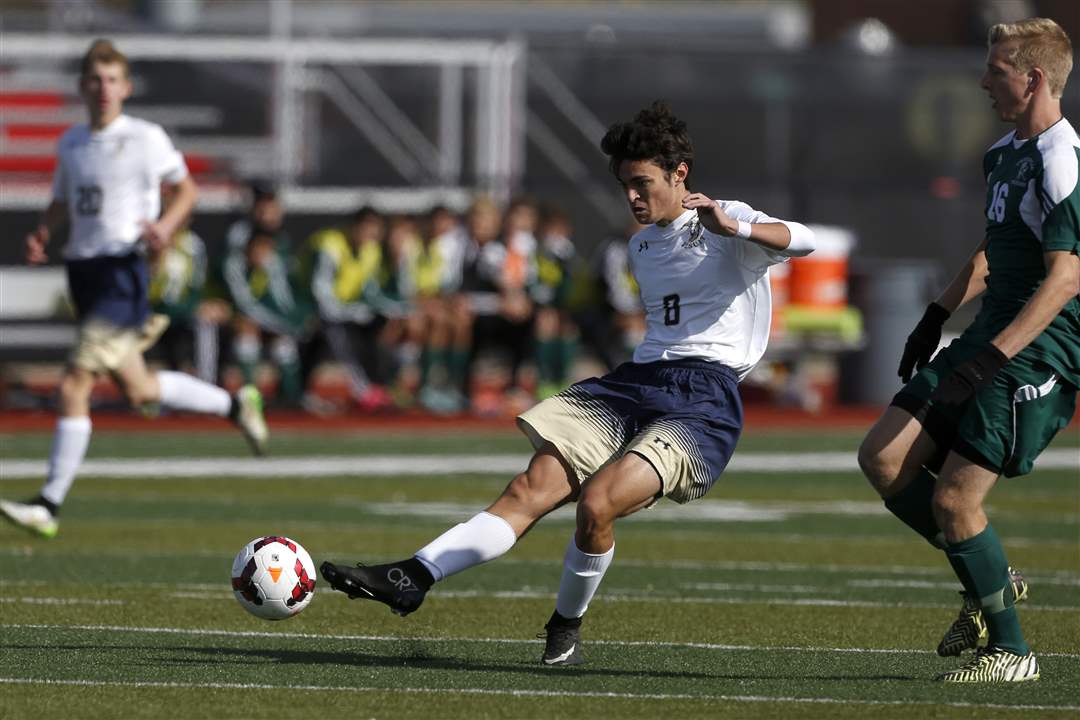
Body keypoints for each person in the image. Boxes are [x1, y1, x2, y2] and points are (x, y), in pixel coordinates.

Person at [320, 100, 815, 665]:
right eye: (625, 185)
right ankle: (413, 574)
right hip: (636, 382)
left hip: (704, 400)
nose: (631, 196)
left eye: (642, 182)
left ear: (680, 175)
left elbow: (803, 240)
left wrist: (736, 226)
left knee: (597, 504)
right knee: (528, 489)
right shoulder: (642, 245)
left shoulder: (728, 219)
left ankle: (564, 623)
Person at [858, 18, 1079, 683]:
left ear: (1033, 78)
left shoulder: (1062, 156)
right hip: (988, 335)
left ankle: (1013, 652)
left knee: (956, 502)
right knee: (883, 457)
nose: (984, 82)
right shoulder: (1003, 151)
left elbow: (1067, 276)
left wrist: (994, 357)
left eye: (996, 71)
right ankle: (993, 578)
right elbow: (993, 253)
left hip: (1038, 347)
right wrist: (936, 315)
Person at [0, 39, 268, 539]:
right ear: (83, 86)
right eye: (95, 80)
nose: (103, 89)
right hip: (83, 273)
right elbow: (64, 199)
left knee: (73, 384)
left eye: (112, 80)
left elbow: (186, 189)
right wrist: (43, 231)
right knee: (139, 388)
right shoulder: (72, 142)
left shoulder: (145, 137)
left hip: (122, 273)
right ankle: (236, 404)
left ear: (125, 87)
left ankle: (49, 504)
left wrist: (165, 227)